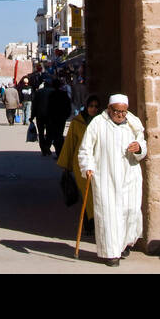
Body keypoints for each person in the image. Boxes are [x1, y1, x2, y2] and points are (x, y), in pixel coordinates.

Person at [78, 94, 148, 266]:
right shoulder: (97, 124)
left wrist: (139, 148)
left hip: (129, 176)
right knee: (109, 215)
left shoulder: (133, 123)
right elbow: (85, 148)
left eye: (123, 112)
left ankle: (123, 244)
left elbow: (143, 143)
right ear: (109, 109)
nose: (120, 115)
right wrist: (87, 166)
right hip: (105, 177)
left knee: (130, 211)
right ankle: (111, 254)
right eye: (117, 111)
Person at [57, 94, 101, 234]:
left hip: (99, 163)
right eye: (91, 106)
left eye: (96, 106)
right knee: (88, 195)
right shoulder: (77, 122)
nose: (93, 109)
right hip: (81, 164)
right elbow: (70, 143)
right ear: (86, 107)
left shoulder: (102, 123)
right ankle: (90, 224)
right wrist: (66, 164)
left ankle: (97, 223)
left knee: (98, 195)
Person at [41, 77, 72, 156]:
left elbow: (48, 107)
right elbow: (68, 106)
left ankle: (58, 152)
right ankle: (60, 153)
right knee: (59, 134)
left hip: (53, 118)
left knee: (54, 135)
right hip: (61, 118)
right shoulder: (64, 94)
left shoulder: (51, 95)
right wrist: (66, 115)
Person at [31, 79, 52, 155]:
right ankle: (47, 146)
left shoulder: (38, 92)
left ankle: (43, 148)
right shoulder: (53, 92)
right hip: (50, 115)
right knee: (50, 132)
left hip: (40, 115)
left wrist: (32, 116)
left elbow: (34, 105)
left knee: (41, 133)